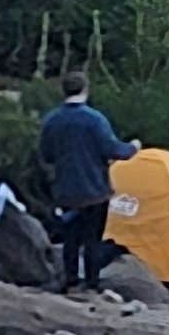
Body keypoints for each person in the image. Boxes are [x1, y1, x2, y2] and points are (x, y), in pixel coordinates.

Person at [33, 67, 138, 291]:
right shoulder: (95, 120)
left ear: (63, 91)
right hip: (95, 191)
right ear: (85, 90)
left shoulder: (52, 120)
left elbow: (46, 155)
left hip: (65, 191)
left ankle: (70, 279)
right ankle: (91, 283)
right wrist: (133, 147)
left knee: (70, 238)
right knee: (93, 239)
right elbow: (113, 150)